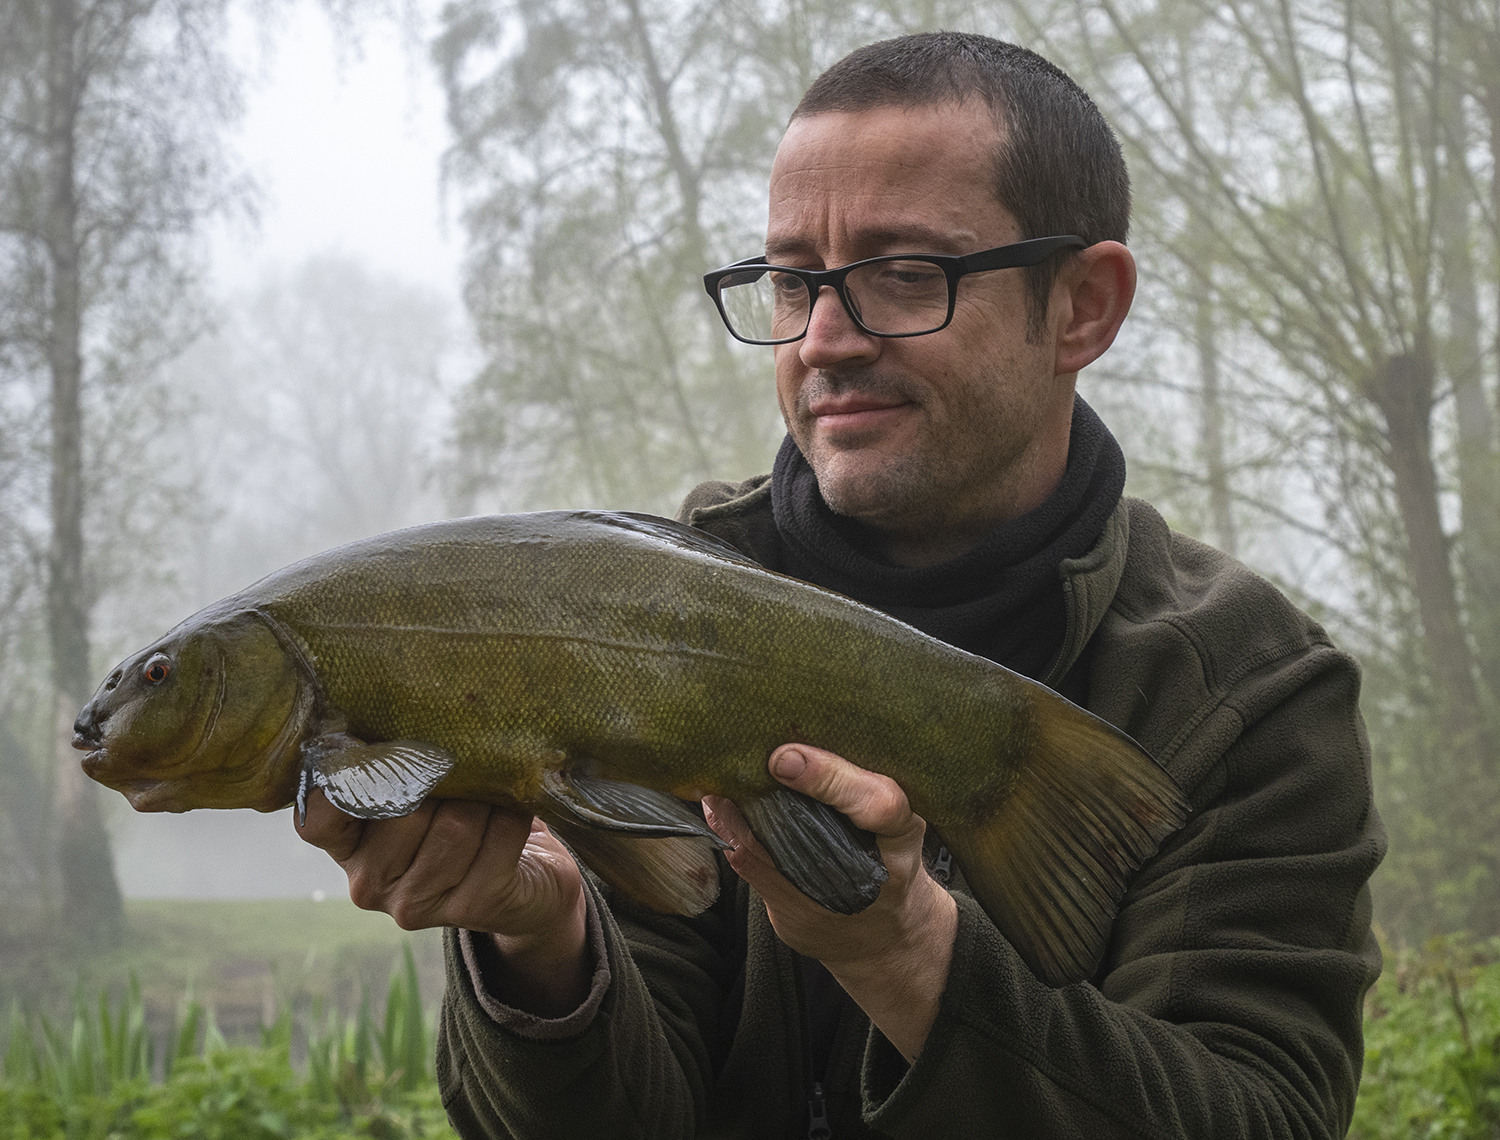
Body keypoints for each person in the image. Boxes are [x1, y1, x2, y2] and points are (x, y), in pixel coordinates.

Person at [297, 31, 1385, 1139]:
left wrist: (906, 955)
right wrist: (543, 942)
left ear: (1083, 307)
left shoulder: (1248, 688)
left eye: (905, 276)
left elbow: (1260, 1113)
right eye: (792, 282)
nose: (823, 340)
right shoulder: (624, 619)